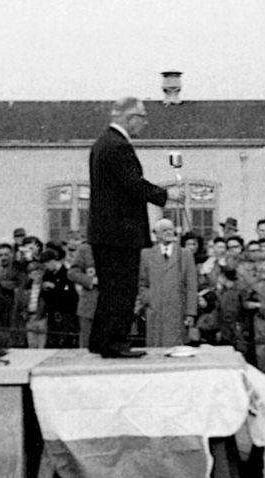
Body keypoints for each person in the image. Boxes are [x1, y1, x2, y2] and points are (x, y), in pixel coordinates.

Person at [87, 98, 180, 358]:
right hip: (120, 233)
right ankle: (115, 343)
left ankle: (101, 340)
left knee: (109, 289)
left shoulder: (103, 143)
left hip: (105, 232)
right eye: (142, 116)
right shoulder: (118, 146)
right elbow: (133, 184)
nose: (145, 122)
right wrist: (166, 195)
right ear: (129, 118)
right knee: (122, 289)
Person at [137, 219, 198, 348]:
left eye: (171, 229)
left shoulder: (185, 254)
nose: (169, 232)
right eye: (165, 230)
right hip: (155, 312)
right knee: (155, 348)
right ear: (156, 234)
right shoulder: (146, 255)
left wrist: (191, 312)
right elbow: (142, 282)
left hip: (177, 311)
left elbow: (191, 286)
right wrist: (149, 298)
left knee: (176, 348)